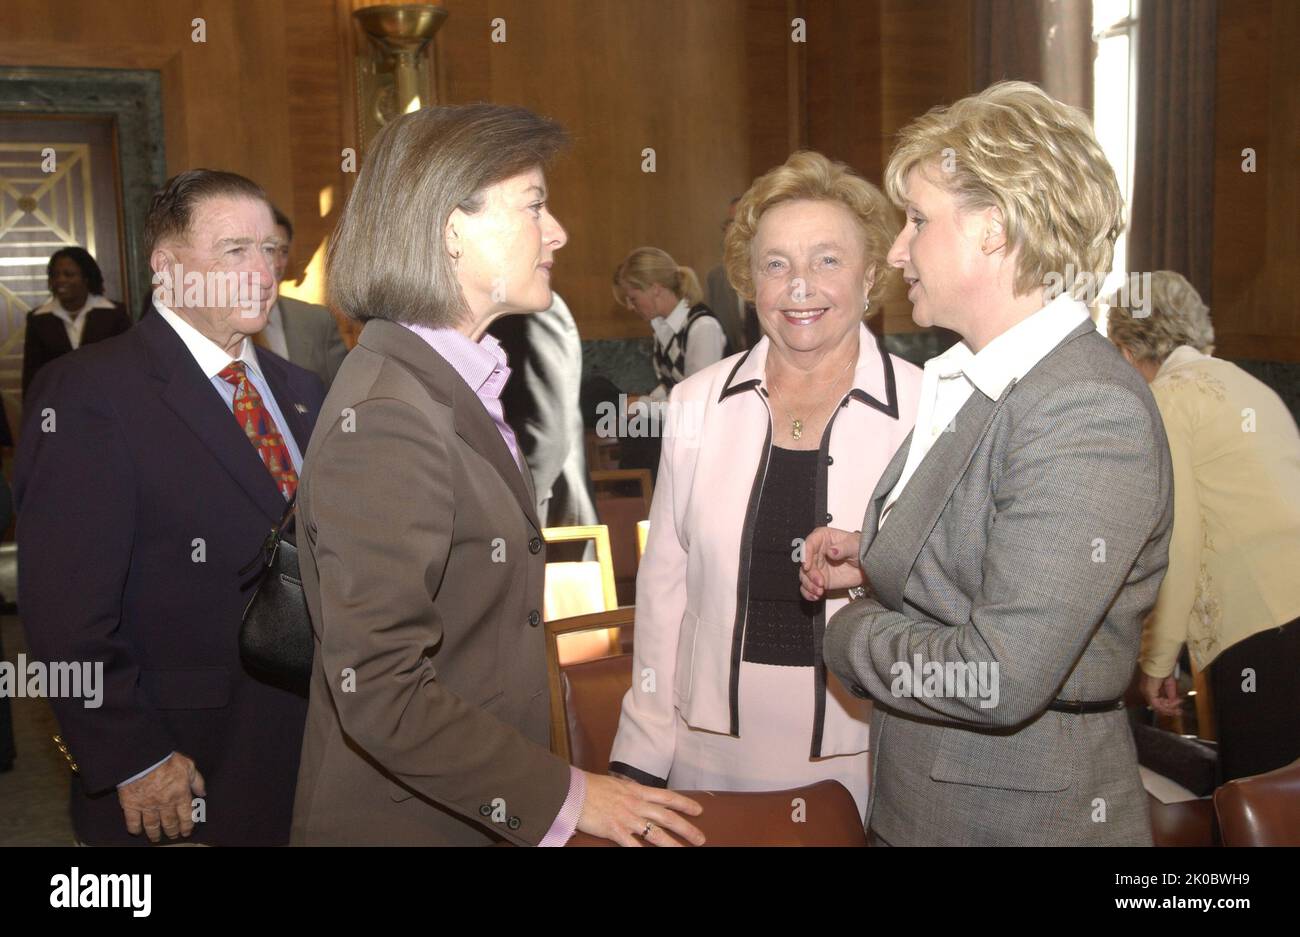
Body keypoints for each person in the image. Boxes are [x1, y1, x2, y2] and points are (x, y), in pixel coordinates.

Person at [290, 103, 704, 847]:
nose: (558, 232)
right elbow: (381, 691)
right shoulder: (390, 414)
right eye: (534, 206)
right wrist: (570, 796)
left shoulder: (447, 383)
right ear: (452, 228)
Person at [801, 81, 1171, 846]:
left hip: (1019, 821)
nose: (897, 250)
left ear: (995, 228)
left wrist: (847, 638)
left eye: (917, 220)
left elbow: (995, 673)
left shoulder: (1085, 408)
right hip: (935, 806)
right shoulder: (994, 378)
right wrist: (876, 562)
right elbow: (991, 561)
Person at [15, 169, 325, 845]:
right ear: (167, 266)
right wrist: (133, 754)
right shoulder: (89, 392)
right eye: (234, 251)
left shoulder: (306, 390)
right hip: (187, 768)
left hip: (312, 753)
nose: (263, 270)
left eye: (270, 250)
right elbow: (64, 609)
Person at [609, 151, 922, 818]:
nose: (798, 286)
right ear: (751, 281)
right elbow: (664, 594)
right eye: (776, 263)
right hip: (710, 760)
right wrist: (641, 753)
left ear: (871, 274)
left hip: (870, 760)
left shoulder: (930, 414)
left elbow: (949, 596)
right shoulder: (695, 403)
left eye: (827, 260)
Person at [1107, 270, 1300, 782]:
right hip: (1288, 612)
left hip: (1265, 628)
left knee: (1254, 799)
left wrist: (1156, 662)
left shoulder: (1167, 400)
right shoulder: (1250, 385)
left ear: (1127, 350)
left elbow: (1179, 544)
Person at [488, 291, 598, 528]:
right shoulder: (487, 307)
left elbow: (546, 431)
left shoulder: (531, 309)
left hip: (546, 511)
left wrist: (512, 512)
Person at [615, 247, 727, 401]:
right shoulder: (661, 327)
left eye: (633, 298)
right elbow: (673, 386)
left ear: (655, 289)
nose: (629, 307)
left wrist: (643, 405)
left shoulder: (702, 327)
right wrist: (643, 401)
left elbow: (697, 404)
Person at [259, 206, 349, 389]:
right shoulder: (216, 324)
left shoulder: (318, 321)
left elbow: (348, 393)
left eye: (283, 251)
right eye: (268, 250)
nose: (277, 263)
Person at [22, 247, 131, 396]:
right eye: (55, 275)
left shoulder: (113, 314)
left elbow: (128, 366)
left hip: (108, 404)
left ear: (86, 278)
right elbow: (32, 376)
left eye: (69, 274)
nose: (60, 280)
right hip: (59, 408)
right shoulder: (38, 319)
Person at [704, 197, 760, 352]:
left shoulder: (782, 272)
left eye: (742, 222)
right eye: (730, 223)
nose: (734, 229)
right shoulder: (716, 279)